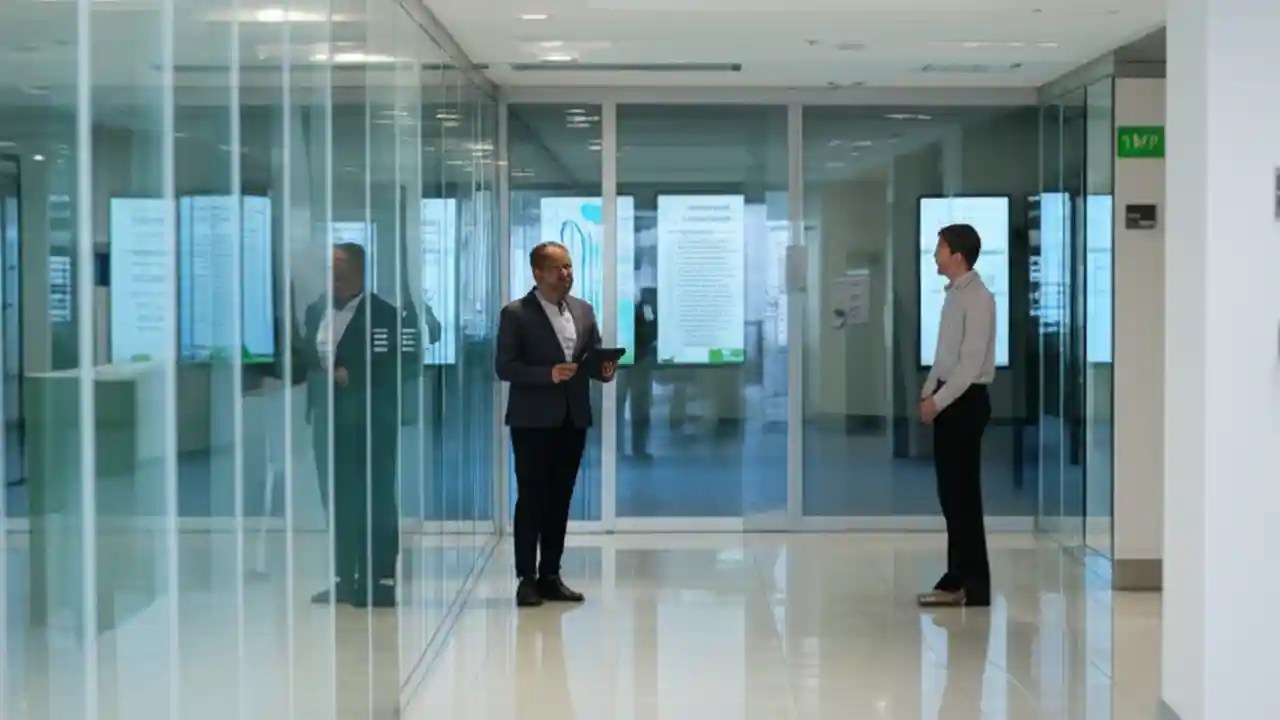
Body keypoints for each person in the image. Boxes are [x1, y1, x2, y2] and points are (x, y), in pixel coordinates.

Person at [497, 241, 616, 608]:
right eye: (557, 268)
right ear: (537, 273)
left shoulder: (583, 309)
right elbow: (505, 367)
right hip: (532, 419)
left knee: (560, 497)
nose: (566, 274)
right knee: (532, 497)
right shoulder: (516, 313)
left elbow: (590, 355)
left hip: (573, 415)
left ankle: (551, 573)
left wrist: (604, 371)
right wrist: (547, 373)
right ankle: (526, 578)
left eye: (568, 267)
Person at [304, 242, 400, 608]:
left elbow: (392, 365)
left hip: (370, 420)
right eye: (329, 266)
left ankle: (378, 578)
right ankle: (345, 577)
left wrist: (352, 375)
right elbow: (306, 355)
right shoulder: (316, 310)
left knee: (374, 497)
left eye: (340, 264)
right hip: (328, 420)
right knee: (338, 498)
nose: (333, 272)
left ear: (359, 268)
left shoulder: (383, 313)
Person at [917, 223, 996, 608]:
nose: (936, 254)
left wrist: (939, 401)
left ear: (958, 255)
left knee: (964, 496)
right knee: (951, 496)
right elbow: (945, 354)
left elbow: (969, 366)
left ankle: (972, 584)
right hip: (949, 398)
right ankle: (955, 578)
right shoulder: (953, 296)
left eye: (940, 247)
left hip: (965, 403)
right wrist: (927, 390)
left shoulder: (978, 298)